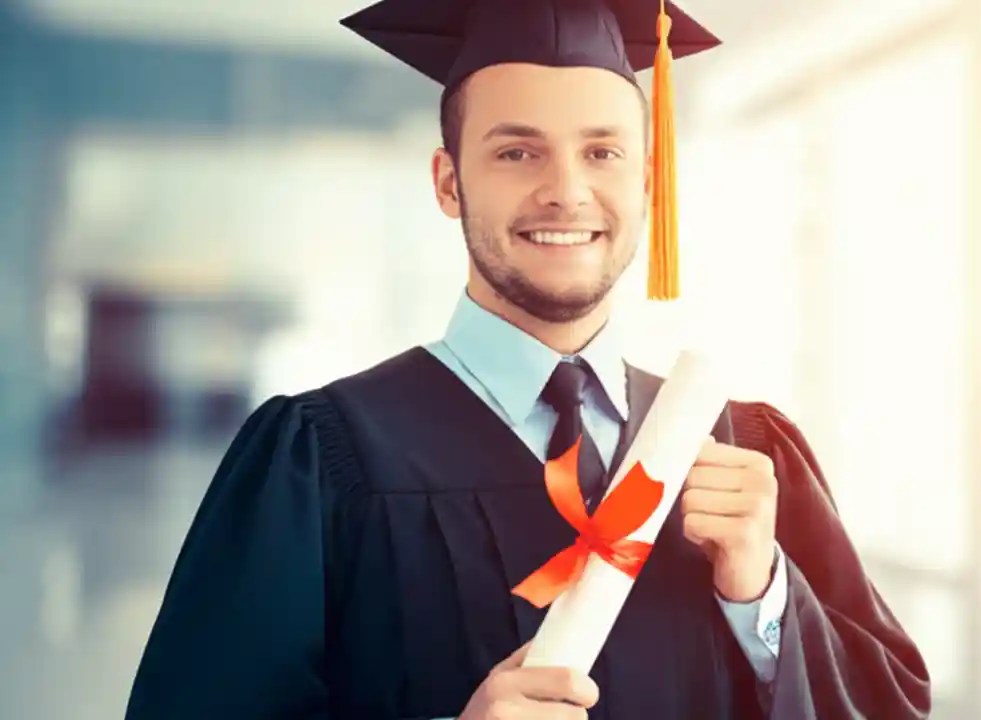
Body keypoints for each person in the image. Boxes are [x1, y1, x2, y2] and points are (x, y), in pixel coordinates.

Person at [123, 0, 931, 718]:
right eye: (517, 152)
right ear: (448, 183)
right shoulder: (320, 461)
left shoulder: (739, 450)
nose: (566, 191)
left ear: (649, 182)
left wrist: (766, 600)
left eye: (603, 153)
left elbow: (892, 706)